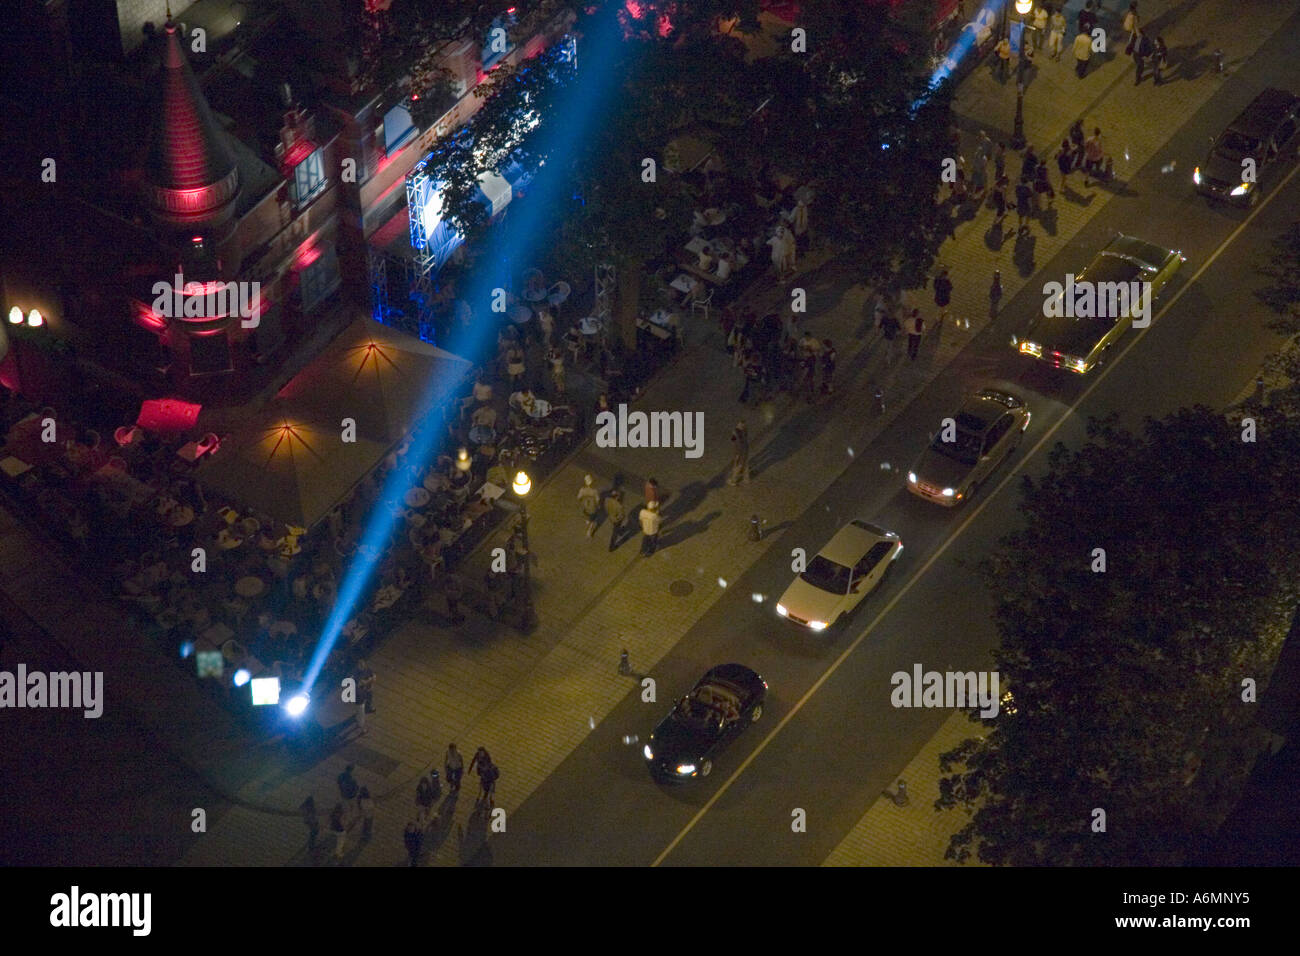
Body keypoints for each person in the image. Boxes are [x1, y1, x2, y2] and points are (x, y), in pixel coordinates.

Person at [729, 421, 750, 486]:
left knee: (738, 466)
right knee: (745, 465)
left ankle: (733, 480)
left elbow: (733, 441)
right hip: (745, 450)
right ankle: (746, 479)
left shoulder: (736, 433)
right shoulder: (745, 431)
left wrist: (737, 455)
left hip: (740, 452)